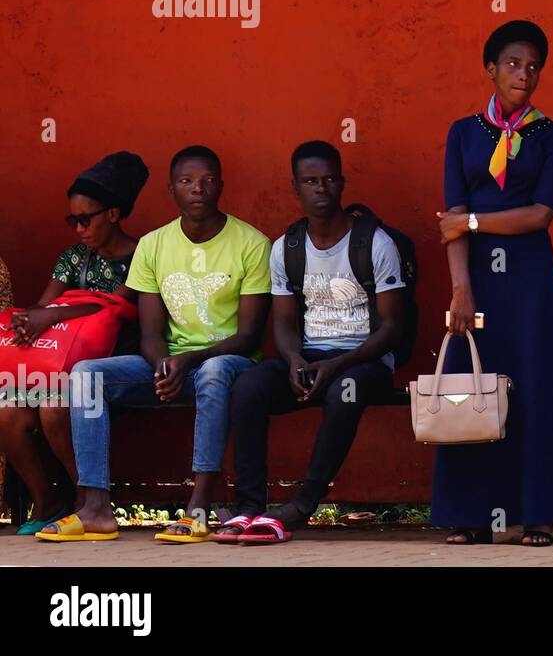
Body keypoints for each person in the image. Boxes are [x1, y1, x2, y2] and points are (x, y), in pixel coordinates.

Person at [38, 145, 271, 543]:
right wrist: (164, 363)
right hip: (172, 367)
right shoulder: (155, 245)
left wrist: (187, 361)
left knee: (214, 371)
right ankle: (94, 506)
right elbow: (149, 333)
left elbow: (248, 336)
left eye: (207, 180)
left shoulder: (251, 243)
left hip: (230, 364)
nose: (197, 189)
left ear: (220, 187)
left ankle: (198, 509)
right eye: (186, 181)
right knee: (86, 375)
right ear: (171, 190)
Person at [431, 20, 553, 547]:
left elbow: (539, 214)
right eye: (513, 64)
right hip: (477, 282)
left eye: (533, 66)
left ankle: (539, 514)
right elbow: (453, 208)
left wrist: (469, 224)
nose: (524, 74)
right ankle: (471, 514)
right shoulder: (463, 132)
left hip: (531, 279)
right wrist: (460, 289)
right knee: (471, 389)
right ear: (490, 69)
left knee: (535, 389)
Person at [218, 141, 405, 545]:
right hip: (310, 357)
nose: (321, 189)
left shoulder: (374, 243)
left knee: (346, 391)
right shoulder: (286, 247)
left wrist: (336, 366)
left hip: (364, 360)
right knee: (248, 387)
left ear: (342, 183)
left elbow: (391, 329)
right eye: (311, 181)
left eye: (330, 180)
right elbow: (284, 323)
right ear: (296, 188)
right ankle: (250, 507)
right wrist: (292, 360)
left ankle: (303, 504)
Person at [0, 152, 148, 535]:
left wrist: (53, 315)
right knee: (6, 410)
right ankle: (48, 500)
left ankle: (87, 500)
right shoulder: (73, 258)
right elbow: (43, 305)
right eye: (73, 220)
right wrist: (29, 319)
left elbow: (116, 304)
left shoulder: (143, 255)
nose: (79, 228)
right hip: (61, 365)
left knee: (53, 405)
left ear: (113, 214)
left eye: (86, 219)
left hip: (114, 365)